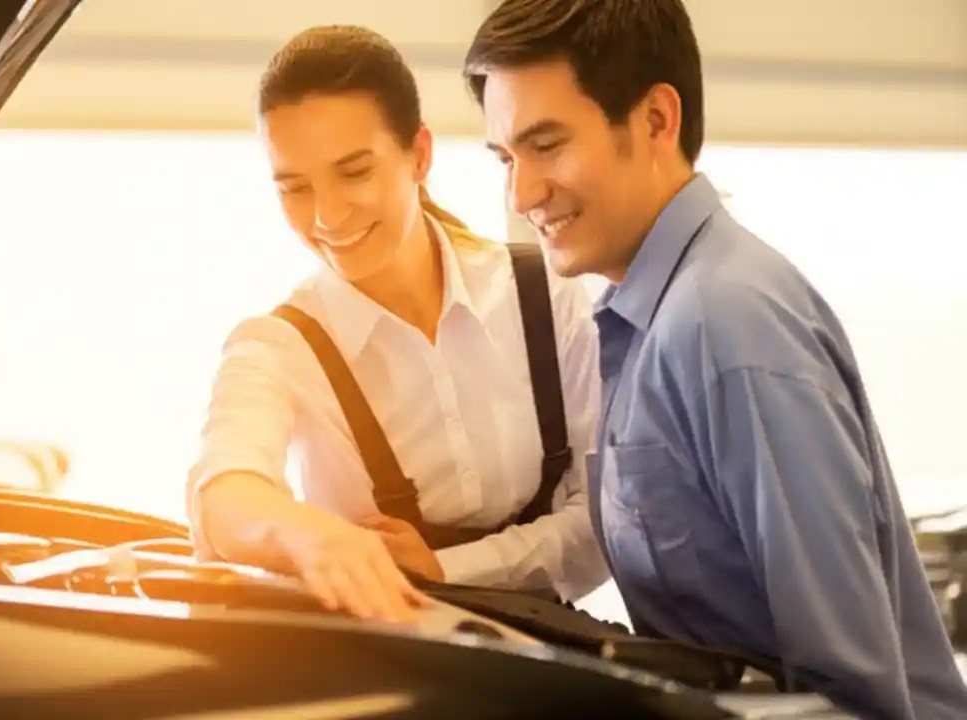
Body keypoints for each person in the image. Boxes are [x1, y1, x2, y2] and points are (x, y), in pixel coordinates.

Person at [461, 0, 967, 717]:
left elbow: (852, 695)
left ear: (656, 121)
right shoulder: (647, 317)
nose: (522, 191)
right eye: (506, 158)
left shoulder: (728, 325)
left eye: (547, 145)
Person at [185, 25, 608, 625]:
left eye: (354, 172)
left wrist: (443, 572)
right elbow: (224, 491)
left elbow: (603, 523)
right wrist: (304, 536)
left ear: (420, 155)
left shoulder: (547, 295)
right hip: (382, 668)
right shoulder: (279, 344)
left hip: (543, 669)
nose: (327, 216)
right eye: (295, 187)